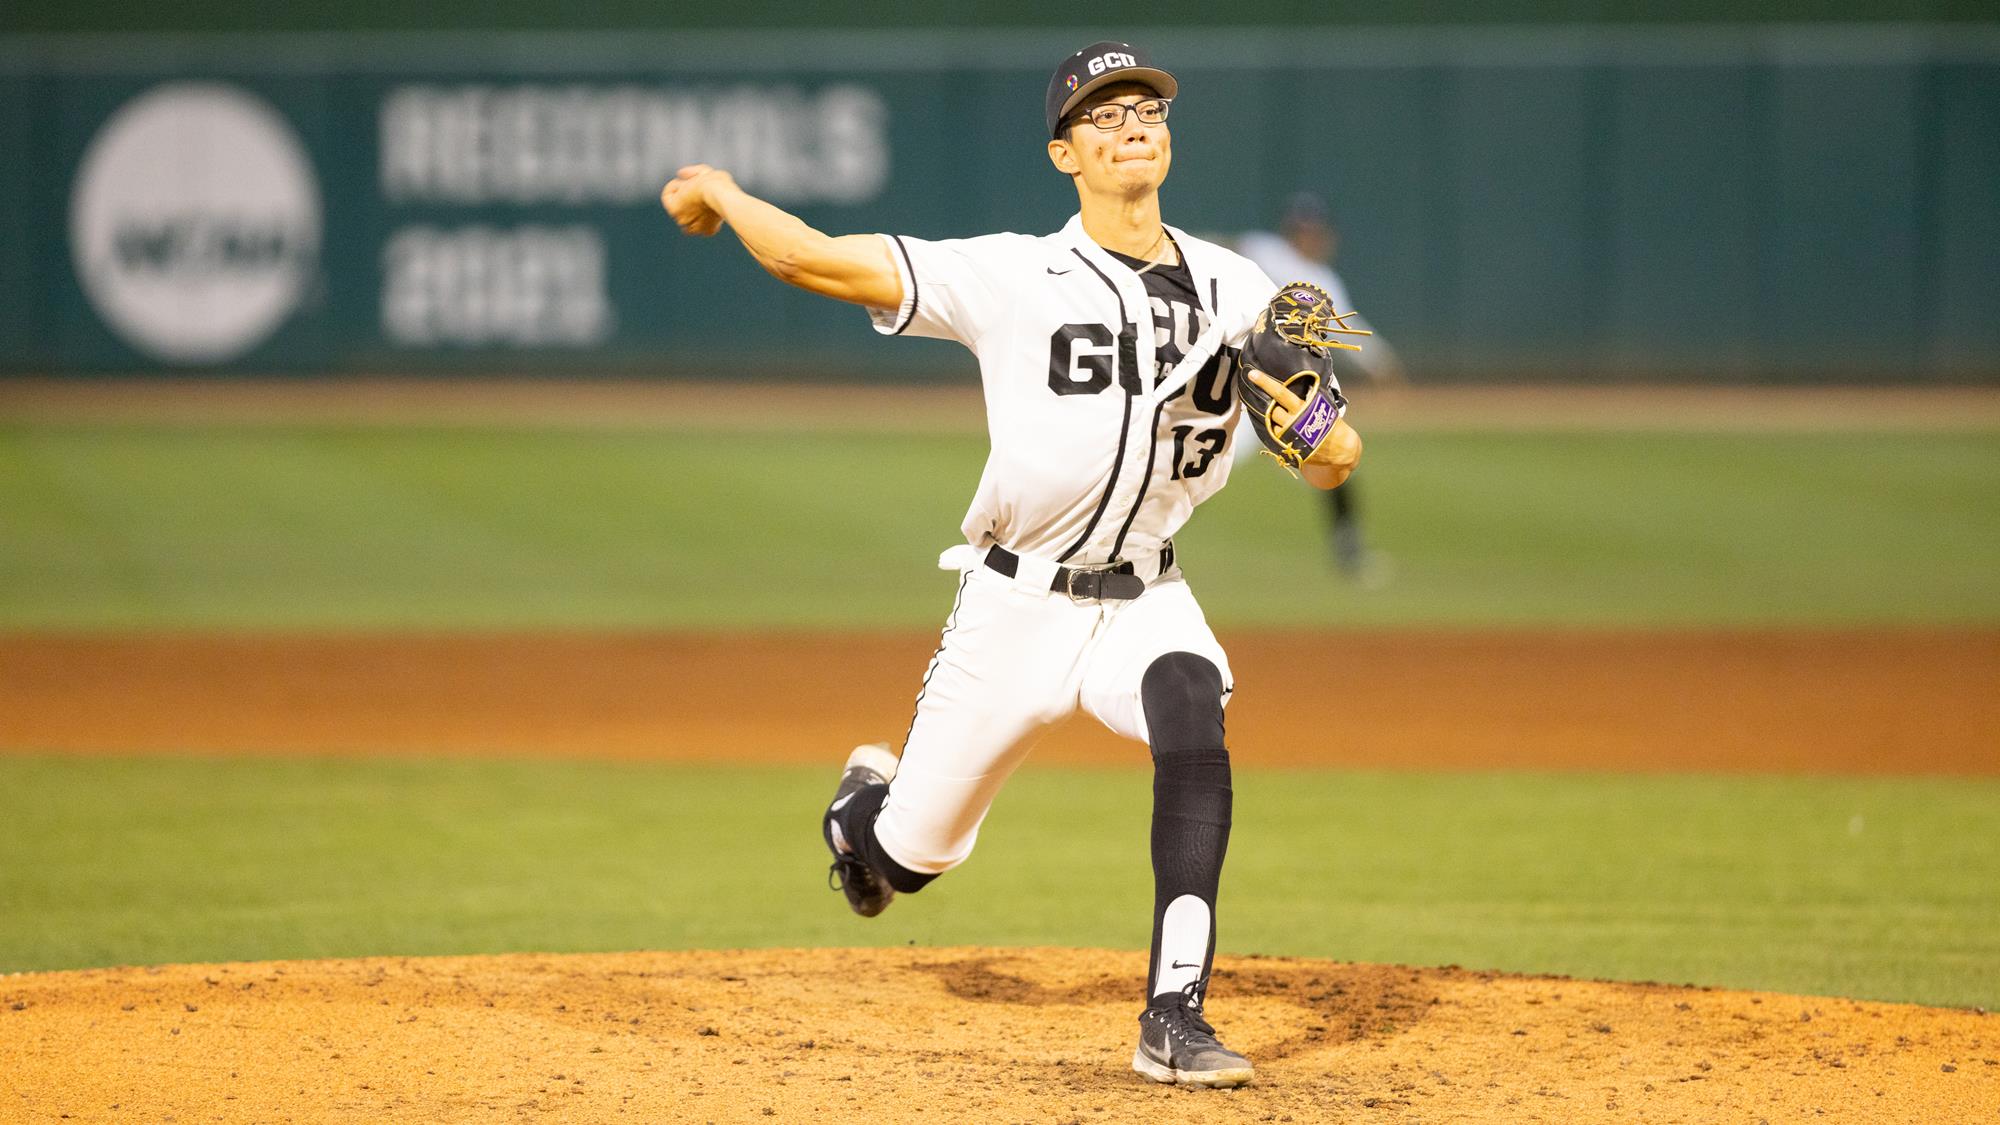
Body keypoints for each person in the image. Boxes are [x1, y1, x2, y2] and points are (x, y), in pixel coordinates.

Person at [661, 41, 1361, 1089]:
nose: (1131, 123)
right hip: (1012, 603)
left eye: (1145, 109)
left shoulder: (1240, 288)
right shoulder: (1009, 274)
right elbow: (812, 256)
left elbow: (1334, 456)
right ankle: (860, 816)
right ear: (1061, 153)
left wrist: (1286, 391)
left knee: (1191, 706)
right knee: (903, 862)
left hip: (1146, 593)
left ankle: (1172, 1014)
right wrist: (723, 191)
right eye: (1102, 112)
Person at [1237, 193, 1403, 583]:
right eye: (1302, 229)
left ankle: (1349, 550)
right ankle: (1154, 539)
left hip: (1298, 395)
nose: (1309, 237)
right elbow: (1216, 252)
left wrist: (1380, 362)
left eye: (1314, 230)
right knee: (1203, 467)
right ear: (1291, 231)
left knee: (1332, 461)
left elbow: (1349, 327)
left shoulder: (1325, 282)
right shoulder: (1264, 250)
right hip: (1245, 389)